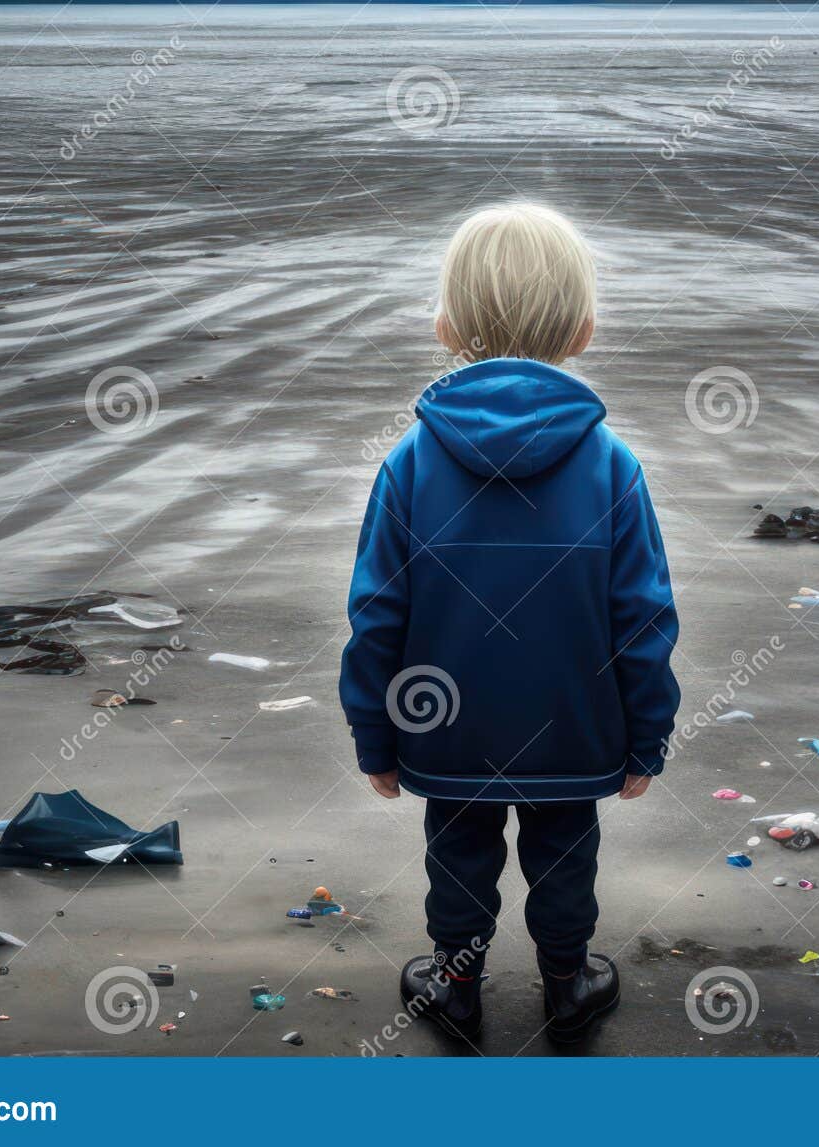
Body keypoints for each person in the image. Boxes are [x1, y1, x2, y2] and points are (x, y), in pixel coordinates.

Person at [338, 203, 680, 1043]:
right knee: (566, 848)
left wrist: (375, 733)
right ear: (585, 329)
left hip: (446, 725)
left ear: (446, 326)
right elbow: (642, 617)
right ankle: (568, 981)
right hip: (575, 724)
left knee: (458, 848)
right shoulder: (612, 465)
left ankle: (456, 986)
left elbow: (377, 614)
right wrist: (647, 736)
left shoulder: (410, 462)